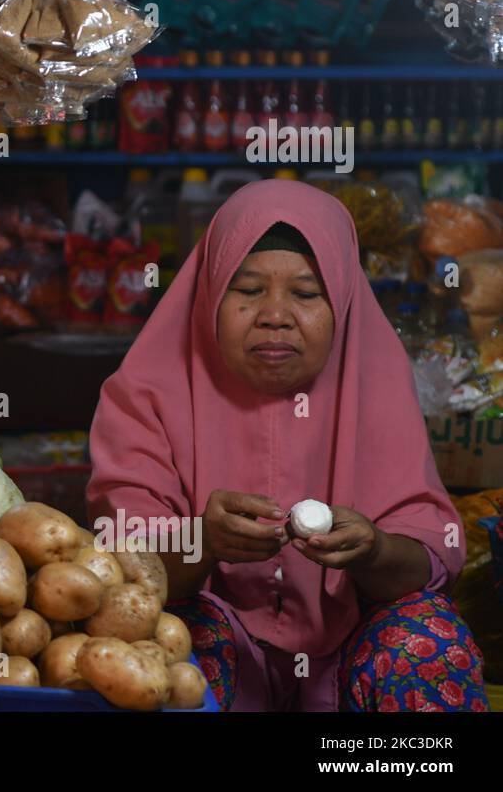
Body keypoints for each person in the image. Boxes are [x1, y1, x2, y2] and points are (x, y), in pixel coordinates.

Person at [87, 180, 487, 711]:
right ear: (209, 293)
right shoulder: (144, 392)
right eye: (248, 290)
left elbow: (430, 564)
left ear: (341, 301)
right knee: (155, 648)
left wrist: (374, 549)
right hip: (215, 639)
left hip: (345, 652)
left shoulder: (378, 385)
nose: (275, 315)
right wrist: (201, 540)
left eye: (305, 293)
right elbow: (118, 567)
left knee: (426, 640)